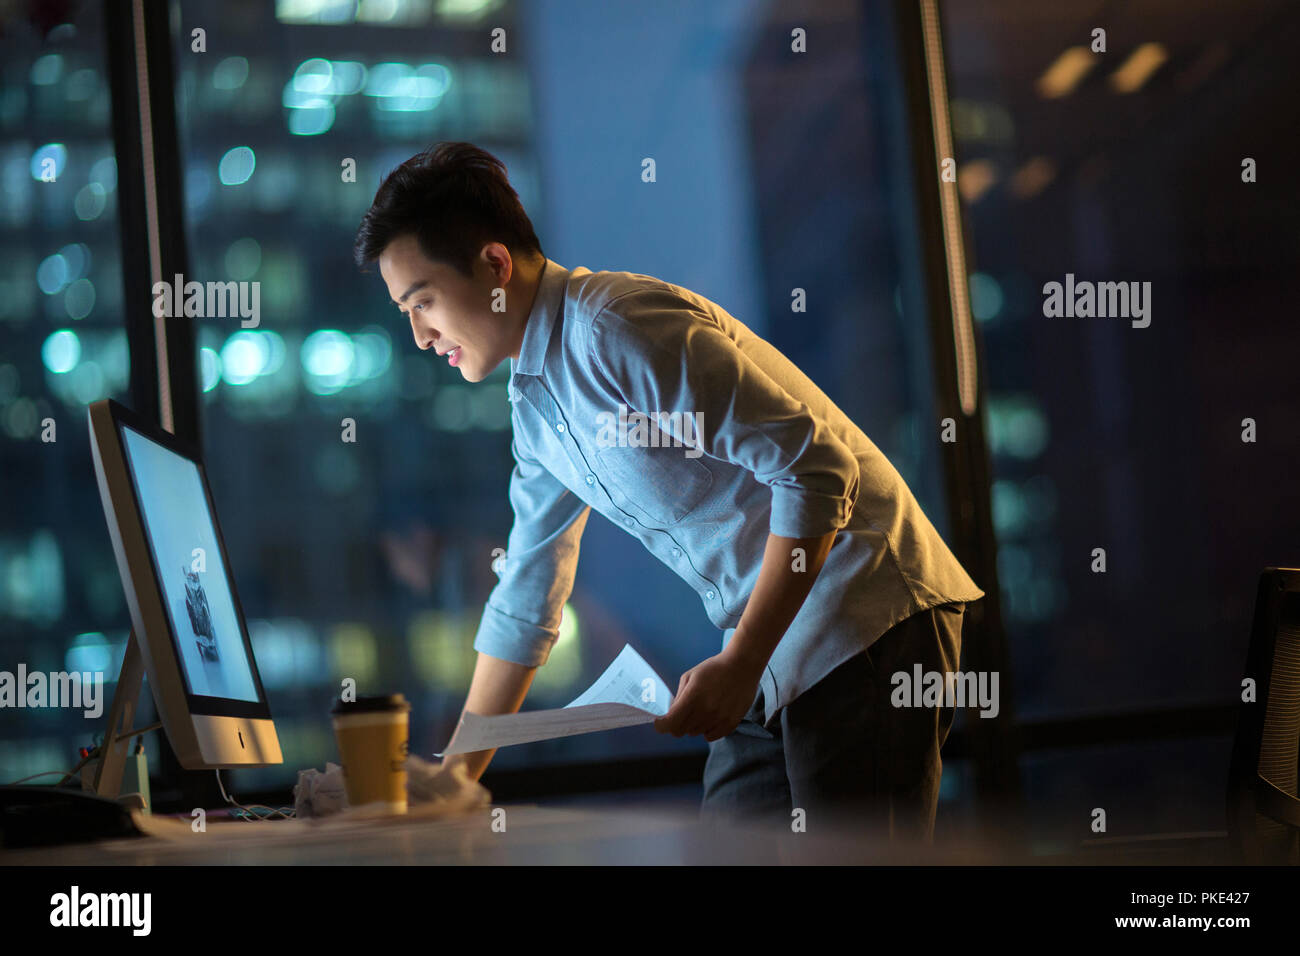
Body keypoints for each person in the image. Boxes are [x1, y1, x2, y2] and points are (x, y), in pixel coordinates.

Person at [353, 142, 984, 842]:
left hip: (862, 613)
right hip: (762, 641)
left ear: (495, 264)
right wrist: (457, 773)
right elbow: (527, 594)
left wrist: (740, 664)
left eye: (424, 302)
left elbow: (816, 470)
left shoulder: (616, 328)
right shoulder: (534, 406)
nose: (418, 334)